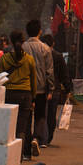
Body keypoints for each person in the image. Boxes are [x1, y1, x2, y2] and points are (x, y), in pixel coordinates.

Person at [0, 31, 38, 160]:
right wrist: (33, 97)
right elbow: (33, 81)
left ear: (11, 42)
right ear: (23, 42)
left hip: (8, 94)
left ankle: (9, 152)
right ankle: (18, 155)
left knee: (9, 126)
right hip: (25, 95)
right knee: (22, 127)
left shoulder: (4, 58)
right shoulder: (29, 59)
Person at [24, 19, 54, 148]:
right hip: (41, 88)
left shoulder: (22, 47)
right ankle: (37, 138)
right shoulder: (46, 48)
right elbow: (49, 71)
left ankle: (27, 139)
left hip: (25, 87)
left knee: (27, 114)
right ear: (40, 31)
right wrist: (51, 88)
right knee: (40, 115)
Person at [45, 45, 71, 146]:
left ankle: (40, 137)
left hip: (41, 88)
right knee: (51, 114)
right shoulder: (58, 56)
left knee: (42, 114)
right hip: (55, 89)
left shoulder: (40, 54)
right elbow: (64, 74)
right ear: (53, 44)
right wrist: (68, 88)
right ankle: (48, 137)